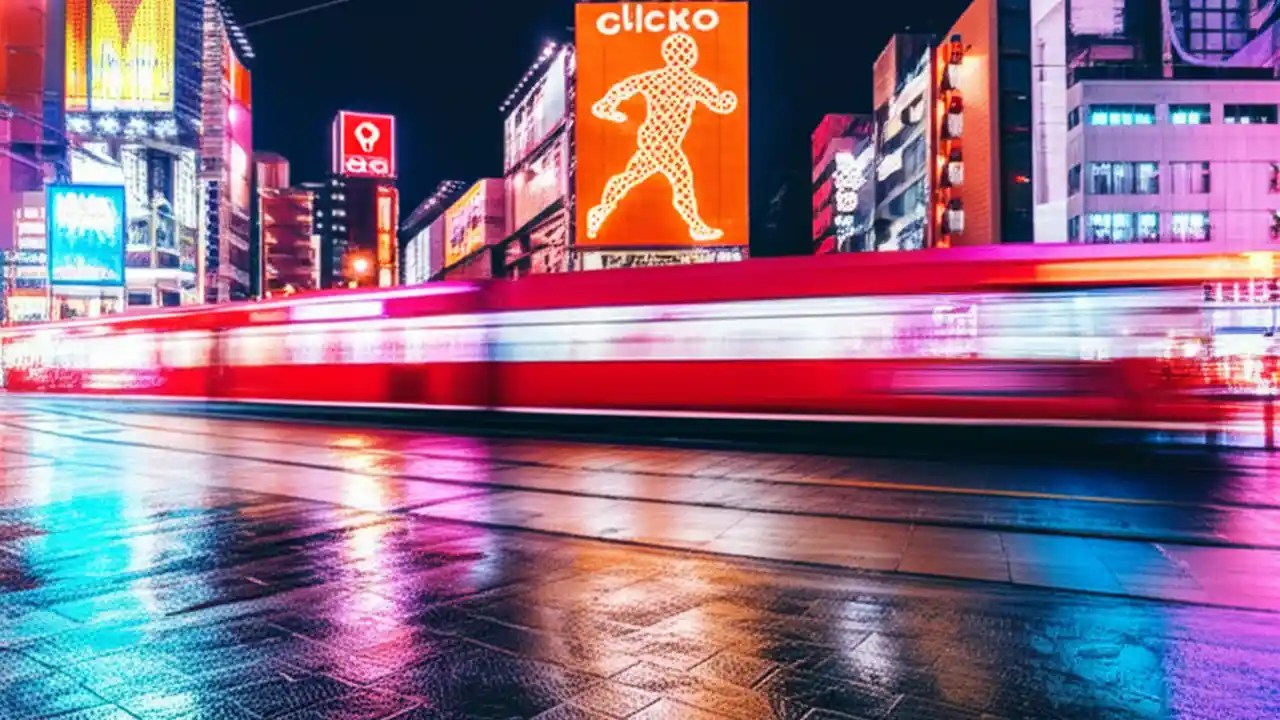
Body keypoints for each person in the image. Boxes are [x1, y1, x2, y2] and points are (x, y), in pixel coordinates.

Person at [586, 33, 737, 242]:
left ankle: (601, 211)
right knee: (681, 179)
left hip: (654, 139)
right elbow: (719, 104)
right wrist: (727, 100)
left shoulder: (658, 79)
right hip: (661, 142)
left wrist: (607, 105)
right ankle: (695, 225)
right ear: (690, 56)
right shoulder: (691, 83)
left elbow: (626, 86)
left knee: (631, 176)